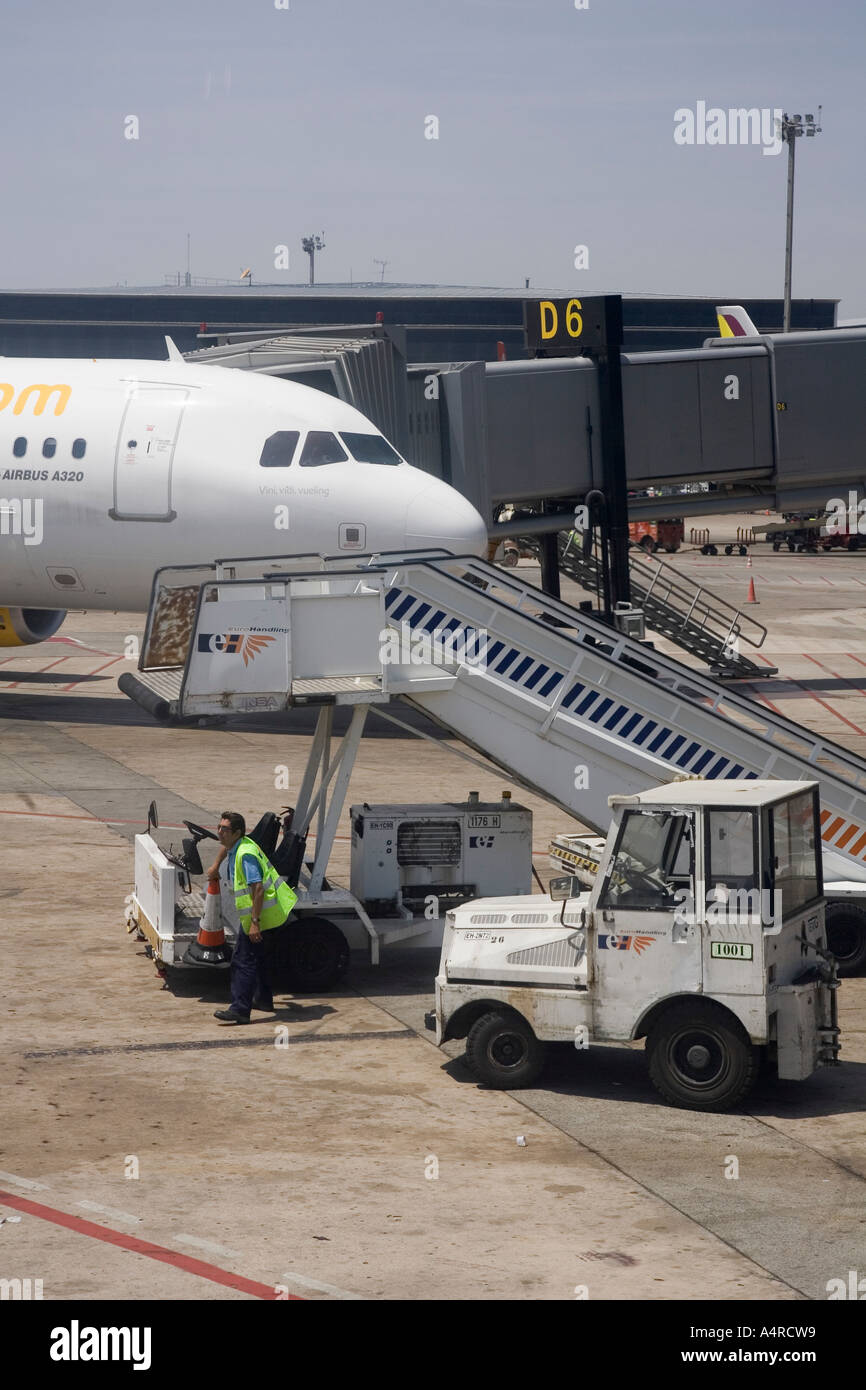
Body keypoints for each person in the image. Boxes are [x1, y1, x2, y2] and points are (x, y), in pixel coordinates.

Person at [209, 811, 298, 1025]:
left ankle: (240, 1009)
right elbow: (225, 847)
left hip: (260, 916)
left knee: (243, 961)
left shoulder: (245, 854)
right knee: (259, 958)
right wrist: (215, 866)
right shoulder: (239, 844)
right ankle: (264, 1000)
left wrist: (255, 924)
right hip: (264, 914)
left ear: (237, 833)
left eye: (225, 829)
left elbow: (257, 889)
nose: (220, 832)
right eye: (219, 827)